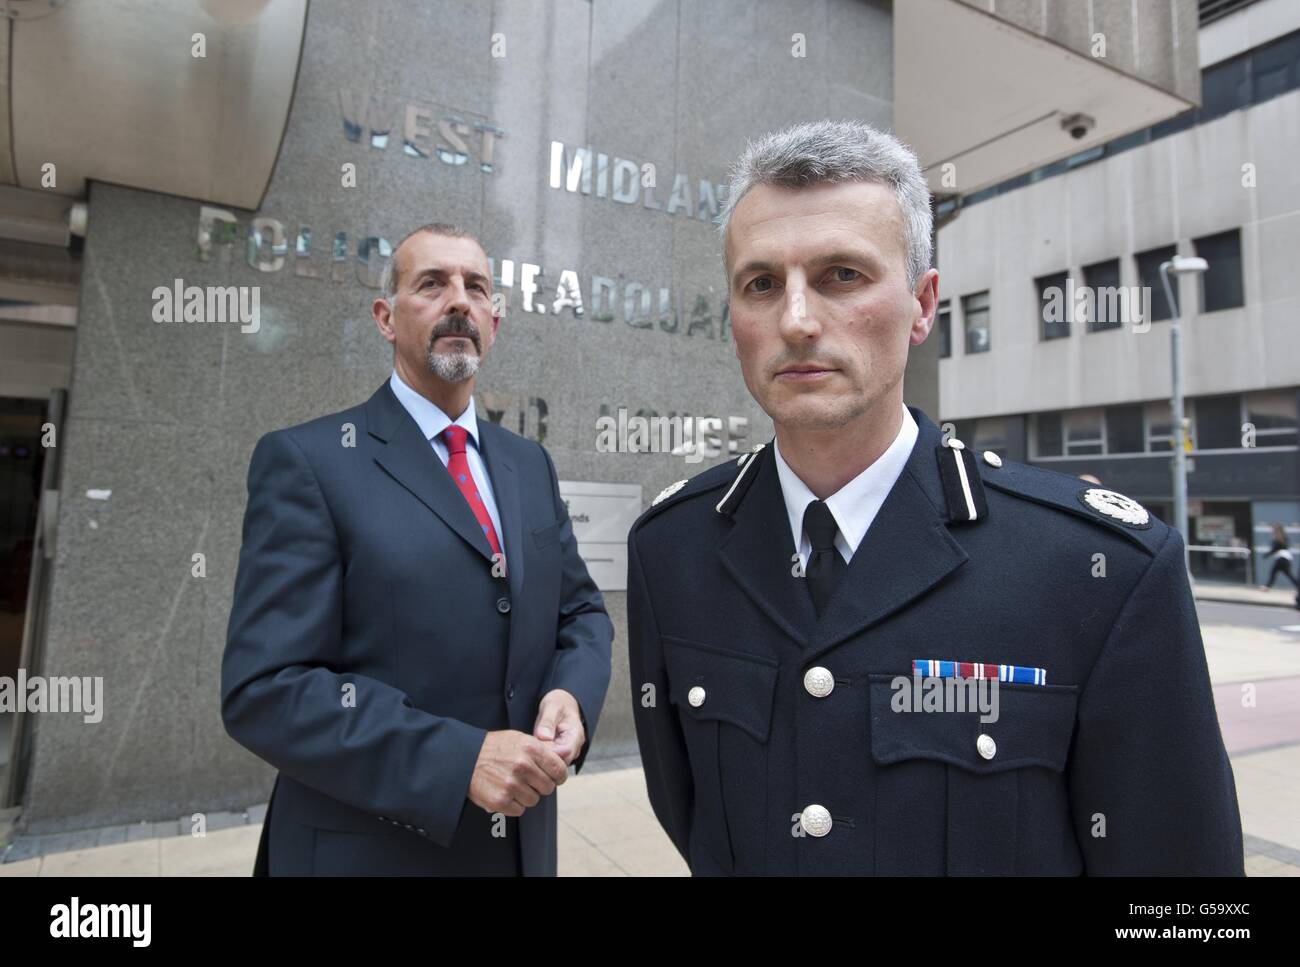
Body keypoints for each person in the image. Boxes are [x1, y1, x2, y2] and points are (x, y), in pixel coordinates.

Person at [627, 120, 1243, 875]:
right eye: (761, 284)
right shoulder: (672, 549)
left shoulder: (1097, 568)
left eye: (841, 275)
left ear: (923, 306)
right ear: (733, 318)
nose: (795, 319)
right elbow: (691, 813)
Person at [222, 223, 612, 875]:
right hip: (370, 853)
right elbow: (265, 689)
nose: (459, 300)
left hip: (517, 851)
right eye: (432, 283)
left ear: (495, 320)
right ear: (385, 317)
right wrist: (457, 758)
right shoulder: (309, 462)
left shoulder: (528, 465)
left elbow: (581, 613)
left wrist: (572, 694)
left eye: (476, 287)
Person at [1260, 523, 1296, 591]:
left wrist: (1266, 555)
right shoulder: (1283, 538)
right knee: (1287, 574)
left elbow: (1274, 549)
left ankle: (1267, 587)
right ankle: (1267, 586)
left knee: (1274, 572)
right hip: (1286, 558)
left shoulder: (1278, 539)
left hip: (1281, 558)